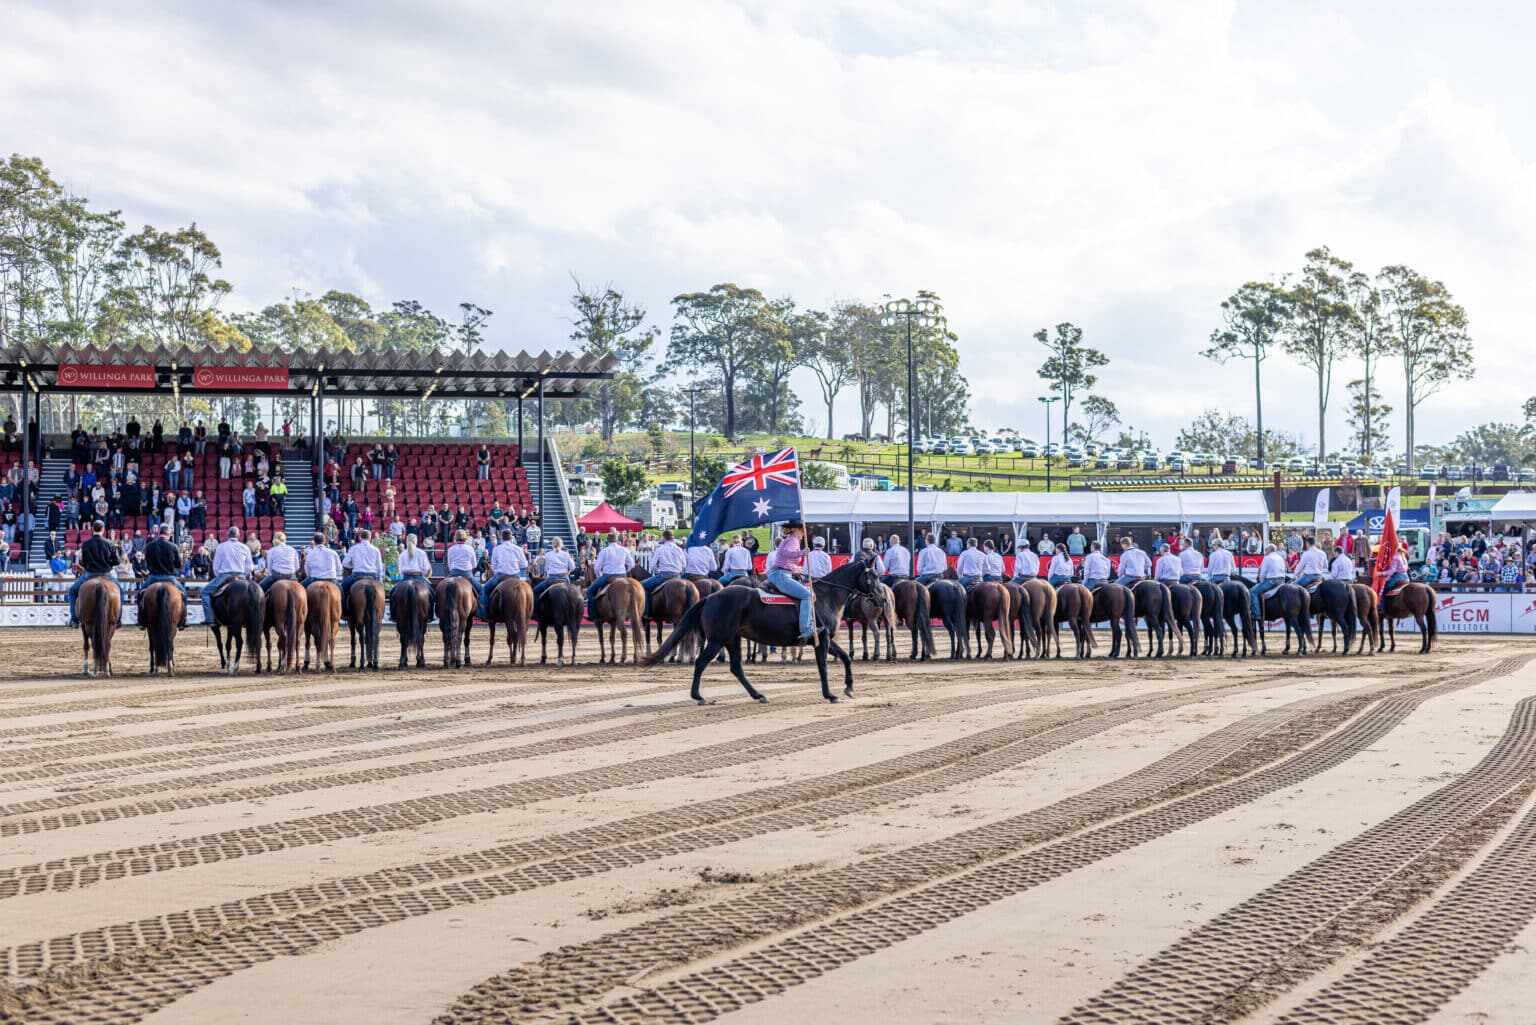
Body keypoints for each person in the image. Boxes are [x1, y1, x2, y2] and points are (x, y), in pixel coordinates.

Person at [66, 521, 124, 626]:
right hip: (107, 574)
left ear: (93, 529)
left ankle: (74, 619)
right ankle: (118, 619)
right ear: (103, 529)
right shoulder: (109, 543)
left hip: (90, 574)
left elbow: (83, 562)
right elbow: (117, 562)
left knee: (72, 591)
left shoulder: (86, 544)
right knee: (120, 591)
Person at [765, 521, 816, 641]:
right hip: (781, 575)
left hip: (781, 573)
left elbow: (785, 558)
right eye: (803, 530)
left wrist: (797, 569)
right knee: (807, 596)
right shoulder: (793, 540)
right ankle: (806, 630)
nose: (804, 533)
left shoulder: (790, 539)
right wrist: (802, 552)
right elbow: (786, 553)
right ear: (796, 530)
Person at [202, 526, 255, 626]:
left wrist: (219, 576)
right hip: (241, 576)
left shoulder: (221, 546)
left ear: (228, 535)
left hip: (225, 576)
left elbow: (216, 566)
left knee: (205, 592)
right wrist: (244, 575)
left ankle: (210, 619)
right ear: (238, 535)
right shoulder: (245, 547)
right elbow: (250, 567)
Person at [477, 529, 530, 617]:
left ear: (502, 537)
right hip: (515, 576)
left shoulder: (496, 549)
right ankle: (529, 613)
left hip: (500, 575)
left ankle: (484, 613)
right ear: (511, 537)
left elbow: (493, 566)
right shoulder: (518, 549)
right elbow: (524, 565)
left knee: (484, 589)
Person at [586, 530, 635, 618]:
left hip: (608, 576)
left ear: (608, 541)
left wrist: (599, 576)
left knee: (590, 591)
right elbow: (632, 564)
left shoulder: (604, 551)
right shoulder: (624, 550)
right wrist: (626, 571)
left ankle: (593, 615)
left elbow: (597, 568)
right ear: (616, 540)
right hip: (622, 576)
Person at [340, 529, 384, 614]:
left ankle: (344, 611)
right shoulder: (375, 549)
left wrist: (353, 566)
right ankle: (381, 612)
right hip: (372, 575)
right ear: (370, 537)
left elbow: (345, 563)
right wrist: (380, 580)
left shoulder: (354, 548)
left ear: (360, 537)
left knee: (342, 588)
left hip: (357, 575)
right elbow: (379, 567)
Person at [1249, 544, 1289, 621]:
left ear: (1270, 550)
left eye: (1266, 550)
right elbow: (1284, 569)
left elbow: (1263, 573)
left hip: (1271, 581)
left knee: (1253, 592)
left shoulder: (1267, 558)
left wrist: (1261, 581)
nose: (1265, 552)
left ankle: (1256, 614)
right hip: (1281, 580)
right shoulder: (1280, 557)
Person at [641, 529, 685, 598]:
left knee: (641, 585)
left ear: (664, 538)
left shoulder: (660, 549)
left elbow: (652, 565)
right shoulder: (679, 549)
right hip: (677, 575)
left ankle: (647, 608)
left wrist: (656, 571)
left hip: (664, 575)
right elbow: (684, 565)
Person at [1379, 541, 1410, 612]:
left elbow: (1392, 571)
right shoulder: (1402, 555)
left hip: (1398, 577)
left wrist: (1380, 573)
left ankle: (1382, 607)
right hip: (1406, 577)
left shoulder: (1395, 557)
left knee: (1383, 587)